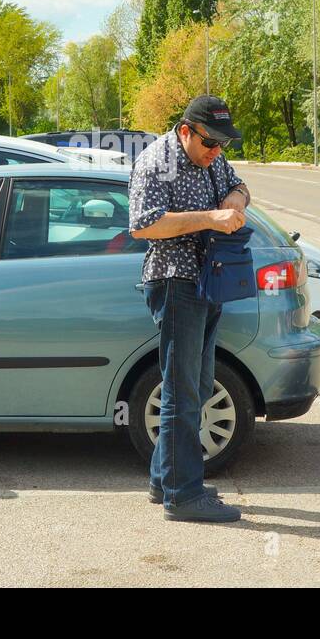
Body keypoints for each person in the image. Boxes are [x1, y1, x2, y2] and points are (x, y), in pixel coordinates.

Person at [129, 95, 251, 523]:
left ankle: (165, 479)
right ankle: (183, 495)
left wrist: (235, 201)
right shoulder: (154, 162)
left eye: (222, 144)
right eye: (209, 143)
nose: (216, 151)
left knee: (195, 386)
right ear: (185, 130)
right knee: (181, 391)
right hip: (175, 281)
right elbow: (144, 225)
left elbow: (240, 185)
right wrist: (210, 219)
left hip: (207, 280)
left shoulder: (212, 157)